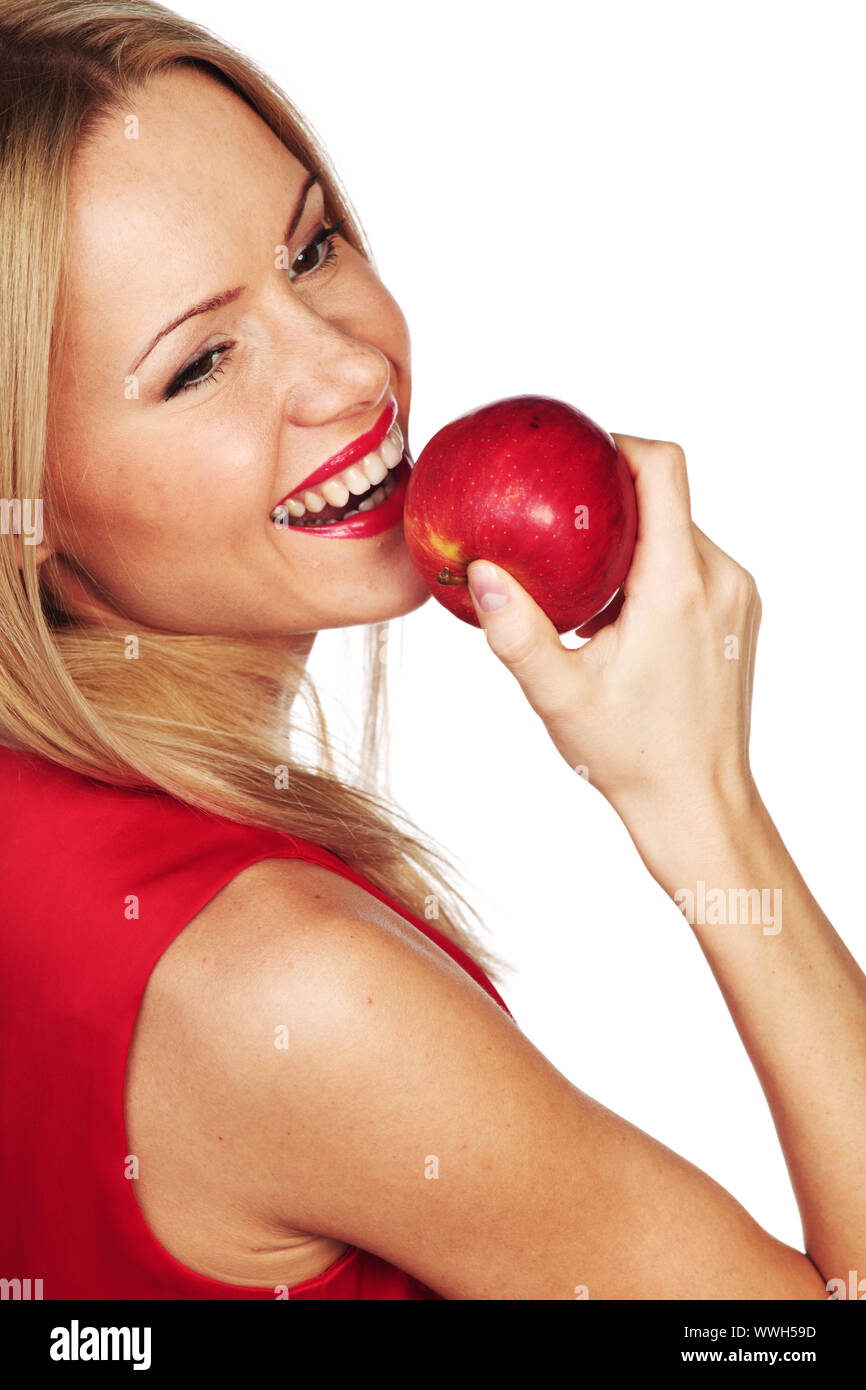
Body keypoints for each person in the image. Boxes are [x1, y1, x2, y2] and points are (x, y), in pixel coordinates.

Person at [0, 0, 862, 1301]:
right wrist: (702, 801)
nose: (348, 368)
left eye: (312, 247)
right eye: (199, 364)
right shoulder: (291, 989)